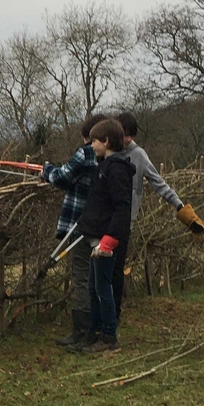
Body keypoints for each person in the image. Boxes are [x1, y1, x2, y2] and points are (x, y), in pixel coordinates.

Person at [113, 113, 204, 319]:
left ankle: (114, 315)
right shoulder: (108, 152)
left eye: (130, 135)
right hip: (103, 218)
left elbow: (159, 184)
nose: (127, 139)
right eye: (124, 134)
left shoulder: (139, 155)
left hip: (124, 221)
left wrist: (180, 206)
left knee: (116, 268)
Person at [41, 113, 107, 348]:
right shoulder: (111, 157)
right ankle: (97, 327)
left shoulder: (86, 153)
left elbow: (62, 177)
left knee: (81, 276)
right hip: (101, 226)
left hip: (80, 225)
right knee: (97, 277)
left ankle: (83, 331)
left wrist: (46, 170)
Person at [73, 119, 134, 352]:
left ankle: (109, 336)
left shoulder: (116, 170)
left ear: (106, 141)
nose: (91, 145)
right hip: (96, 238)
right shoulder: (104, 167)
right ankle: (94, 332)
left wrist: (109, 240)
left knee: (103, 289)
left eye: (94, 141)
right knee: (93, 288)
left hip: (105, 240)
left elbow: (121, 207)